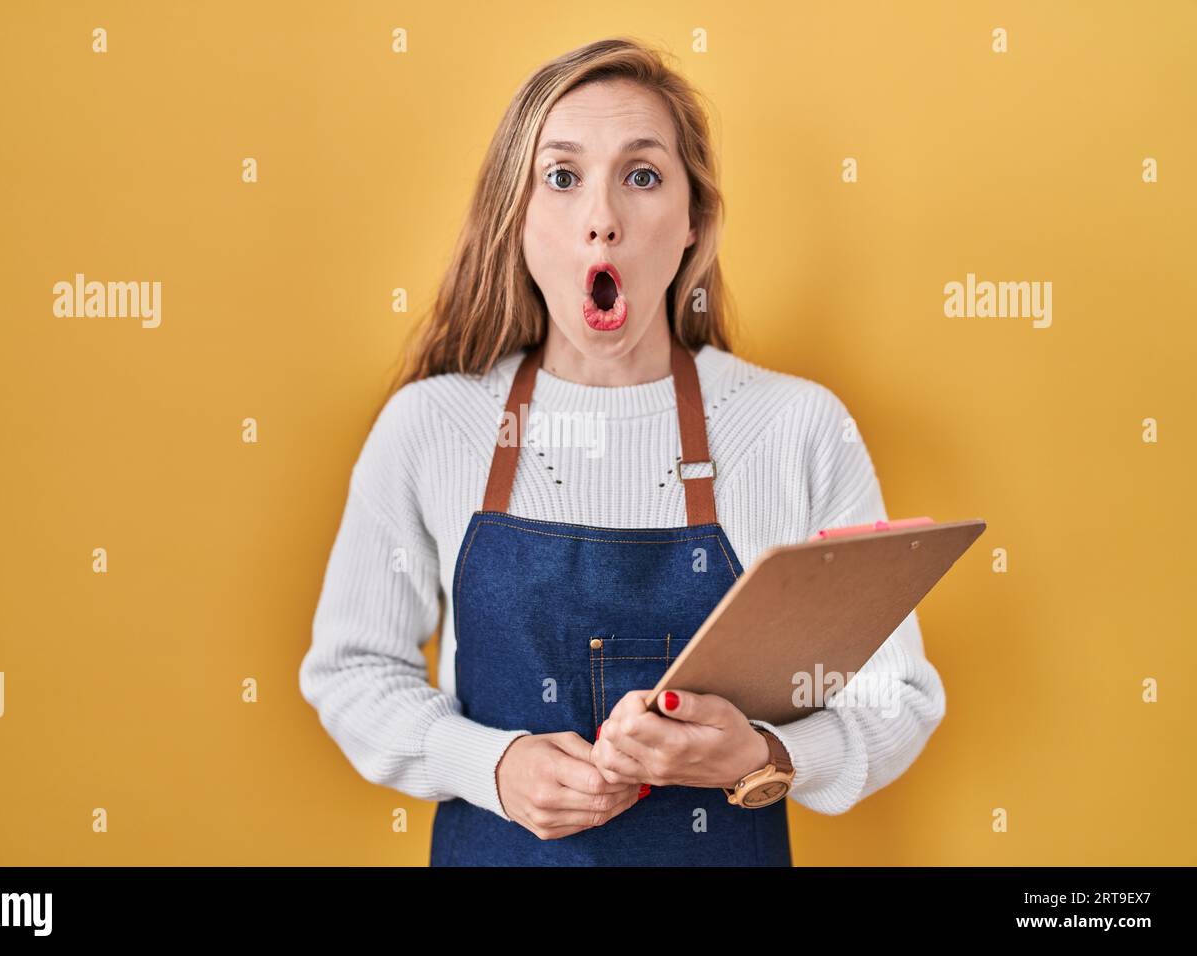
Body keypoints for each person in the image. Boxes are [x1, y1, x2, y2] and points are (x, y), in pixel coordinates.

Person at [299, 37, 946, 866]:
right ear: (519, 219)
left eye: (642, 175)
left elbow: (899, 697)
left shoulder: (798, 428)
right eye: (561, 177)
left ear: (693, 223)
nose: (602, 215)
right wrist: (491, 765)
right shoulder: (430, 427)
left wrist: (762, 757)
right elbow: (351, 670)